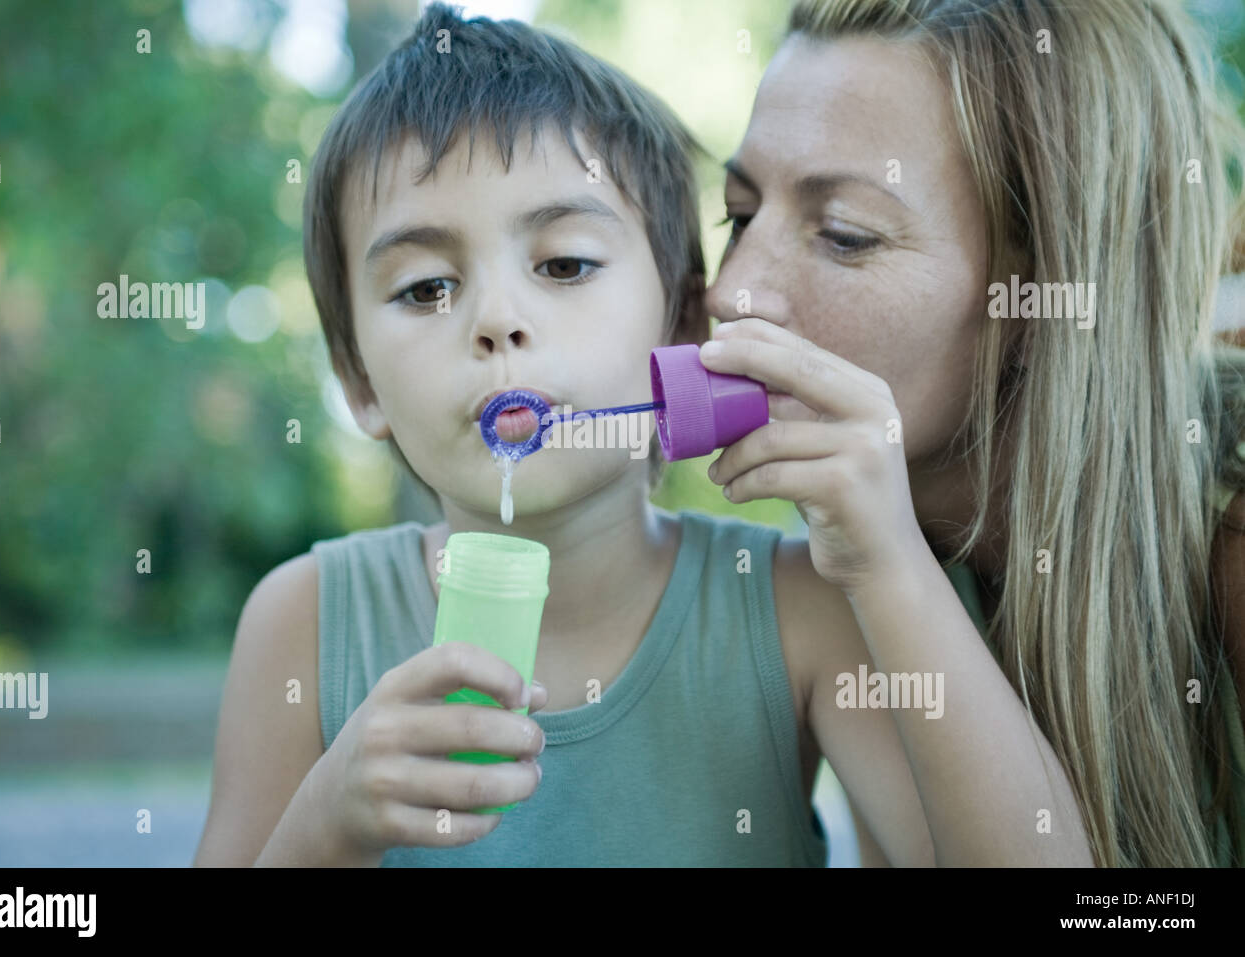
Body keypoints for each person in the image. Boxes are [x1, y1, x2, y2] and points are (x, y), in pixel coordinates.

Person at [192, 3, 1092, 867]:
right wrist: (325, 824)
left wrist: (888, 559)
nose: (497, 320)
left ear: (683, 333)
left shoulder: (797, 608)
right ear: (357, 381)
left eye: (565, 264)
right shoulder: (304, 621)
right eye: (426, 287)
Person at [700, 0, 1245, 867]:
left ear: (1043, 291)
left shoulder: (1228, 541)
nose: (732, 292)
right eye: (739, 213)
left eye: (844, 235)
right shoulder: (849, 566)